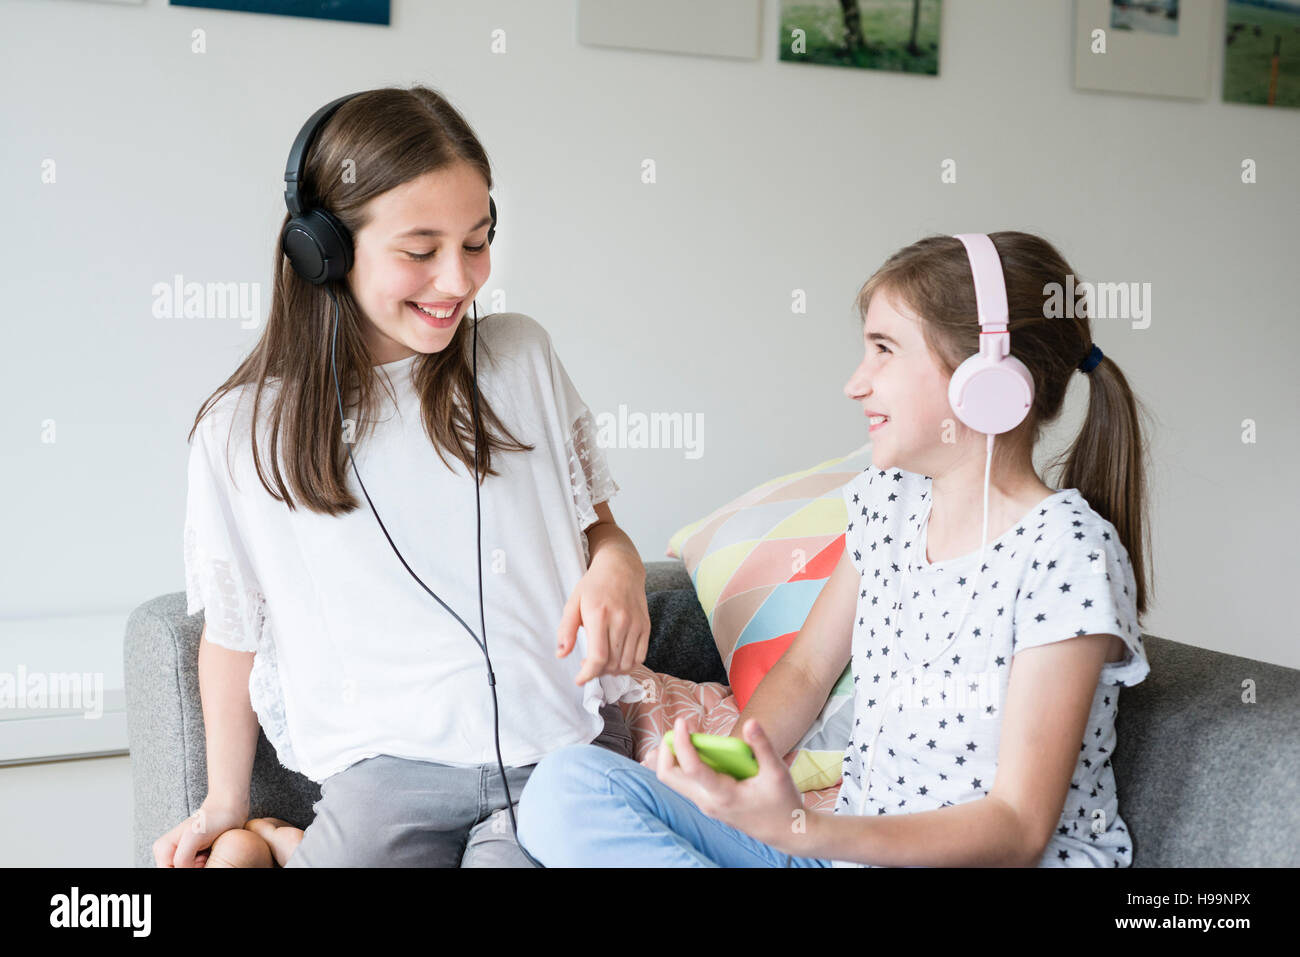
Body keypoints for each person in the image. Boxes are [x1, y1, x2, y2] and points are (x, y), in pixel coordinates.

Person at [516, 231, 1153, 867]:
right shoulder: (888, 502)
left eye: (884, 350)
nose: (856, 383)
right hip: (846, 852)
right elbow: (807, 671)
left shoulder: (1066, 551)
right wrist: (727, 773)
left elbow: (1016, 830)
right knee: (566, 786)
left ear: (984, 380)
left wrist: (801, 829)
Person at [152, 86, 648, 868]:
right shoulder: (240, 433)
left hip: (554, 757)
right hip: (386, 776)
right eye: (420, 251)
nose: (457, 280)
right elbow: (233, 632)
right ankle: (272, 842)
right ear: (323, 249)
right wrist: (225, 800)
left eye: (477, 242)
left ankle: (284, 851)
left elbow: (600, 529)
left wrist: (619, 565)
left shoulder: (520, 359)